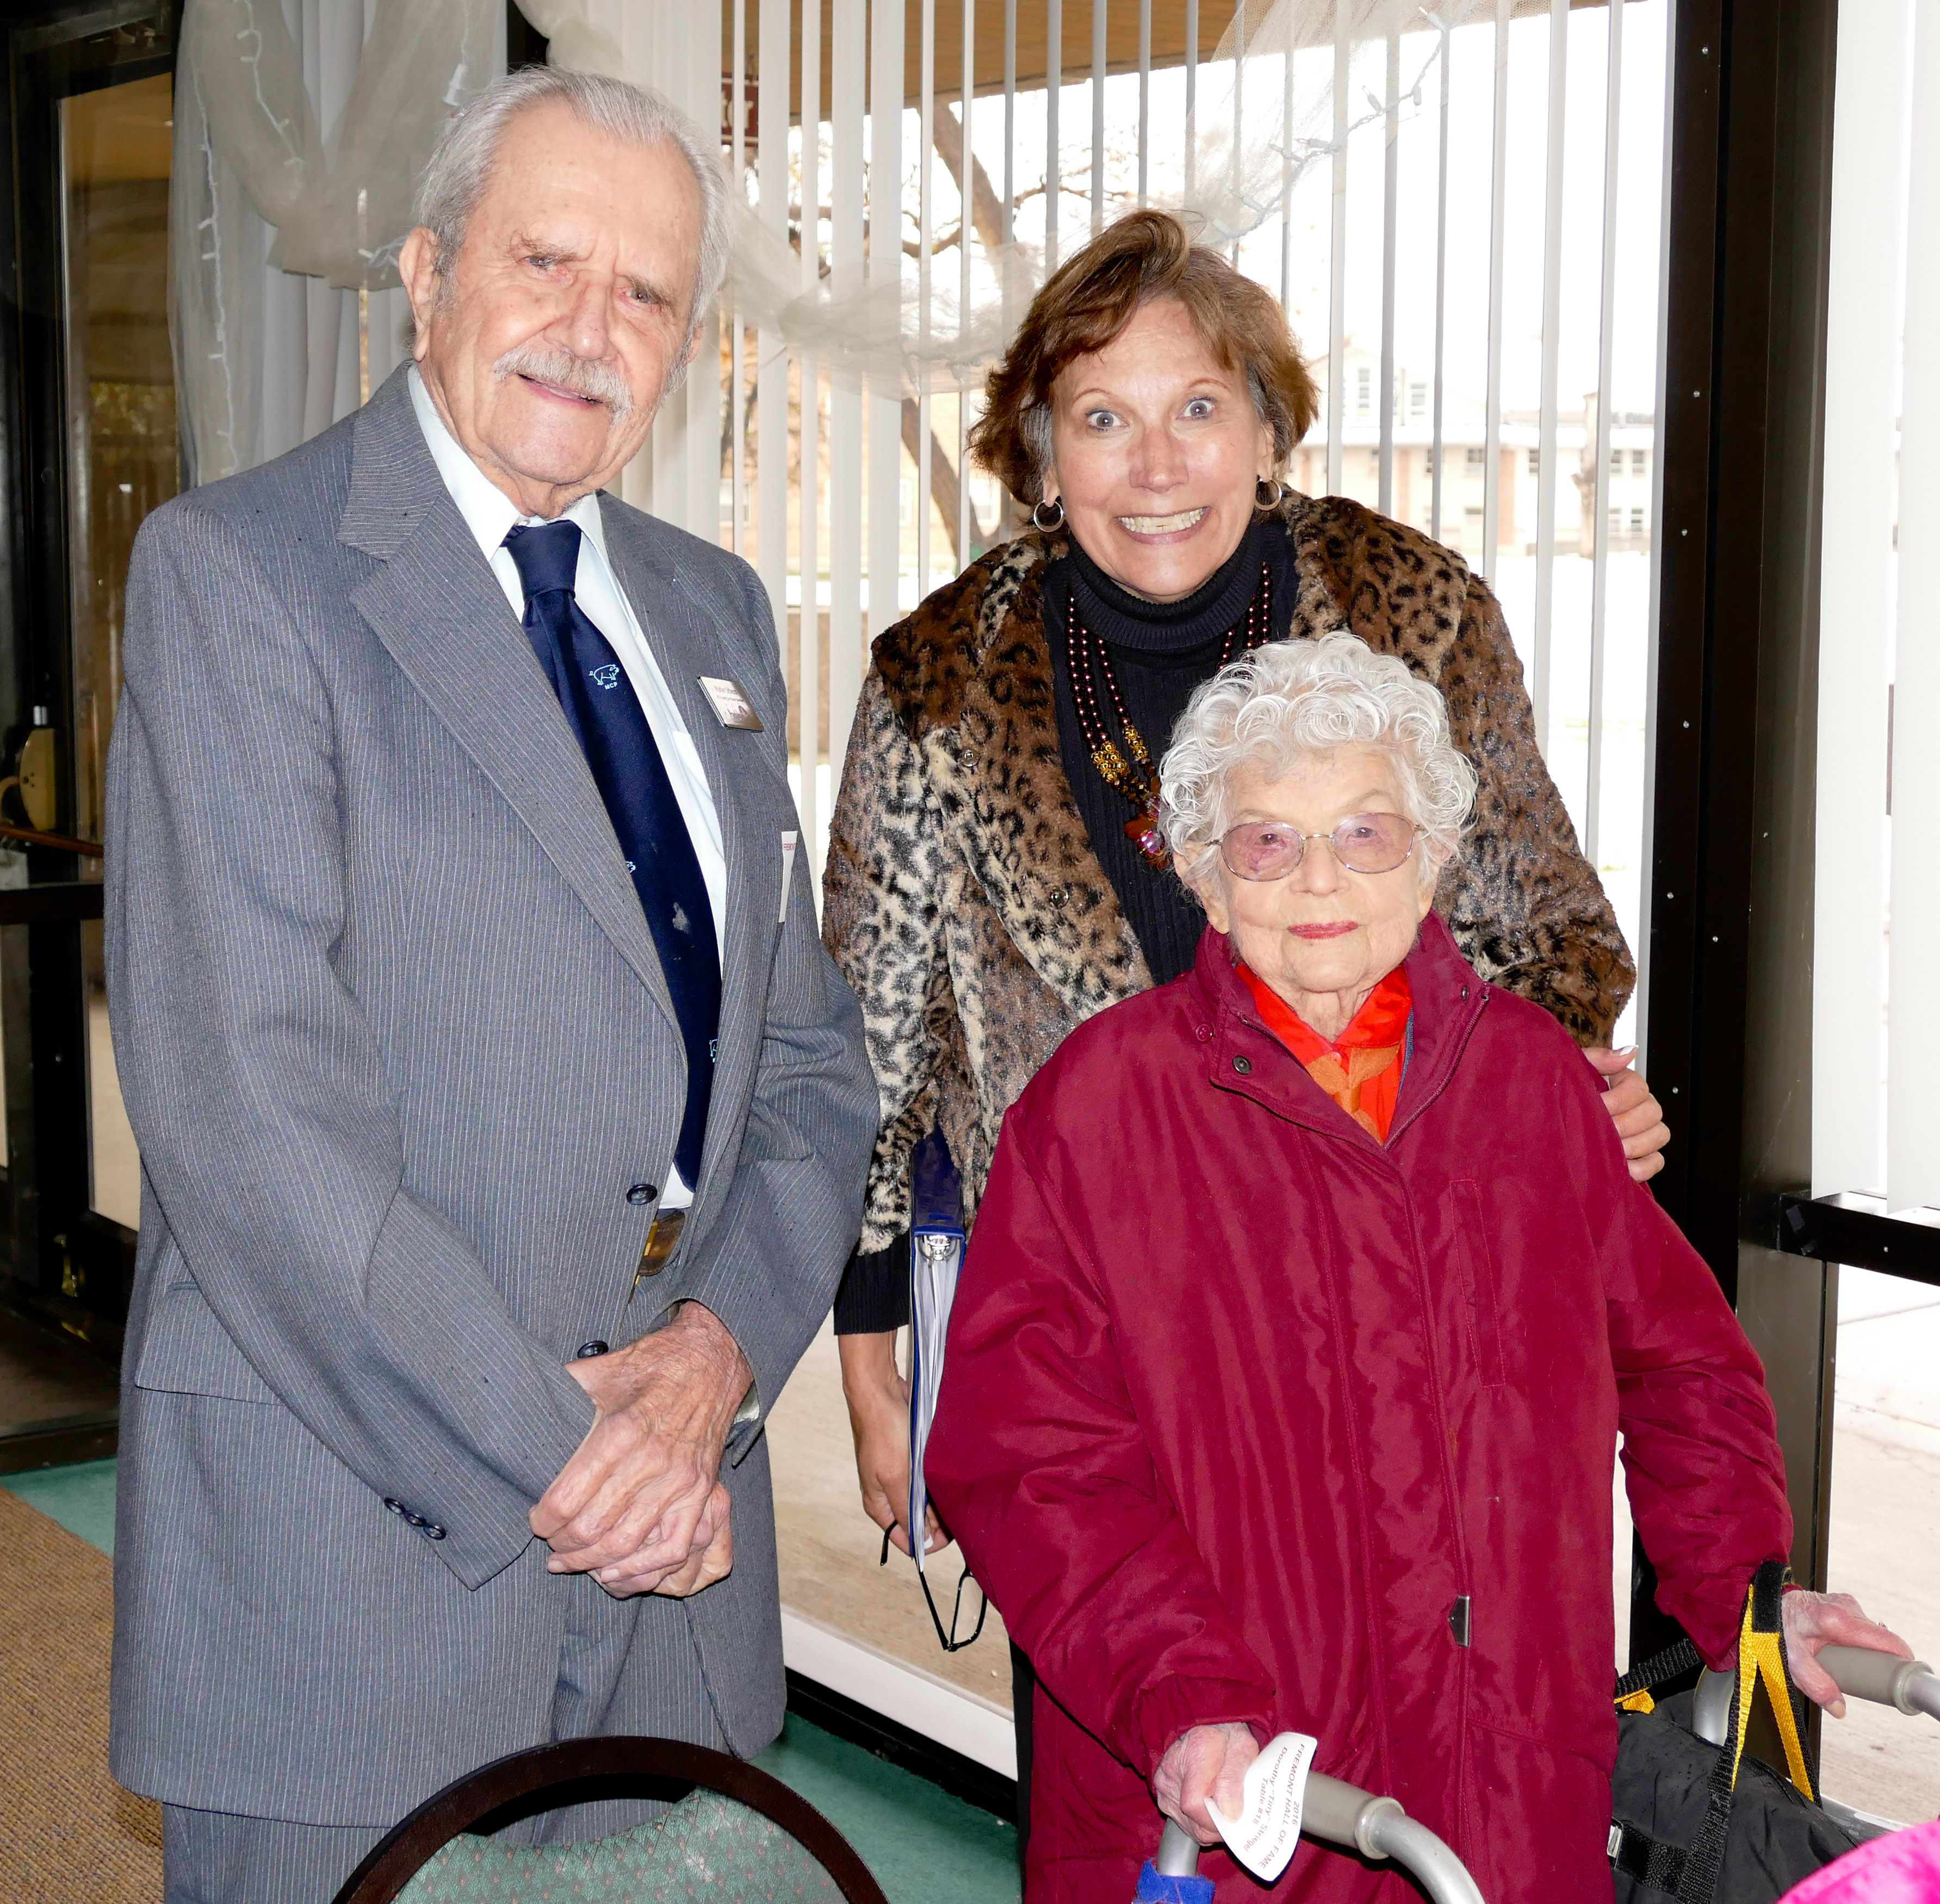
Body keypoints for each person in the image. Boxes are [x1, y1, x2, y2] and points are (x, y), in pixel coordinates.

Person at [104, 67, 875, 1904]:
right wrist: (580, 1458)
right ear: (427, 272)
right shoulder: (238, 575)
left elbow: (805, 1070)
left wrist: (705, 1370)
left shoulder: (711, 608)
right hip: (354, 1540)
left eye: (646, 293)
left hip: (669, 1535)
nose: (588, 328)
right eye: (544, 260)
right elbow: (255, 1118)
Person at [820, 208, 1670, 1834]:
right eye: (1103, 415)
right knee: (1136, 1745)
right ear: (1036, 450)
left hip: (1406, 1315)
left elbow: (1546, 927)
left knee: (1425, 1757)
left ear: (1270, 429)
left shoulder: (1412, 610)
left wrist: (1555, 1086)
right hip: (1092, 1342)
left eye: (1200, 406)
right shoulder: (940, 668)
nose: (1157, 463)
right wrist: (876, 1337)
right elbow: (876, 1029)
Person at [922, 634, 1906, 1902]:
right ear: (1208, 882)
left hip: (1503, 1782)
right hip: (1244, 1788)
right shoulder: (1096, 1108)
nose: (1317, 877)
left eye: (1366, 832)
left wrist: (1744, 1594)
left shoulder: (1534, 1084)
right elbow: (1027, 1453)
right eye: (1266, 840)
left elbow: (1680, 1370)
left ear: (1434, 855)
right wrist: (1181, 1697)